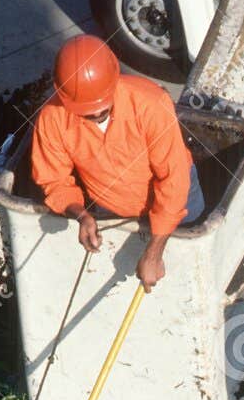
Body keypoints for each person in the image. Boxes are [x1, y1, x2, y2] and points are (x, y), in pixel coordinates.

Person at [30, 36, 204, 292]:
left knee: (186, 276)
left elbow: (173, 178)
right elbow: (53, 180)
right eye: (85, 112)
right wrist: (81, 215)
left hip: (176, 201)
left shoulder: (151, 103)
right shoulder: (51, 118)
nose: (96, 115)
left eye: (102, 107)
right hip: (111, 206)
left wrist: (154, 253)